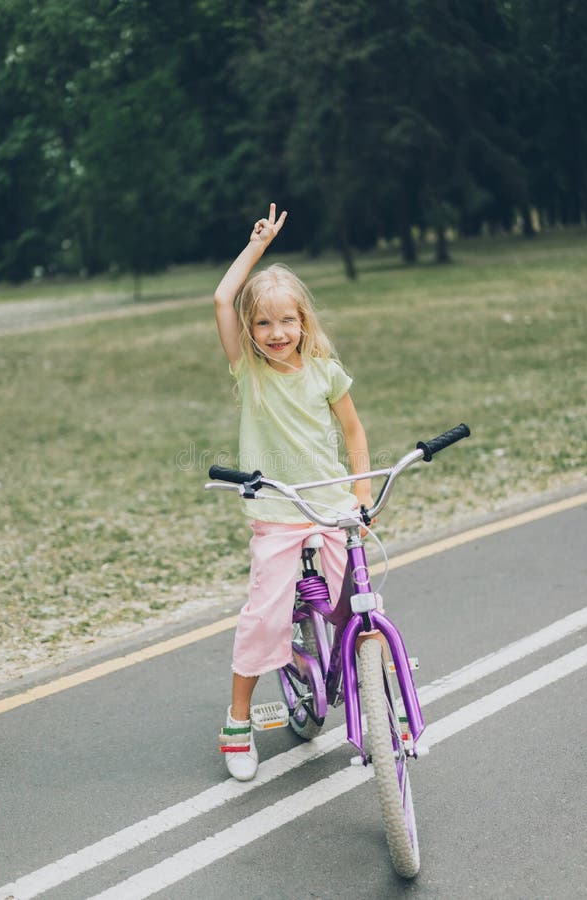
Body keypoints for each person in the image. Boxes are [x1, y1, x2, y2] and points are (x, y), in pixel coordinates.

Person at [213, 203, 374, 781]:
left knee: (358, 598)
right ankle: (237, 720)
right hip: (278, 512)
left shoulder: (324, 370)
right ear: (250, 331)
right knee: (264, 616)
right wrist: (256, 247)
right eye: (263, 324)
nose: (276, 334)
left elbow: (354, 433)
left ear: (304, 320)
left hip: (329, 503)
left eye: (287, 321)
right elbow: (221, 299)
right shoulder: (248, 372)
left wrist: (358, 492)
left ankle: (374, 687)